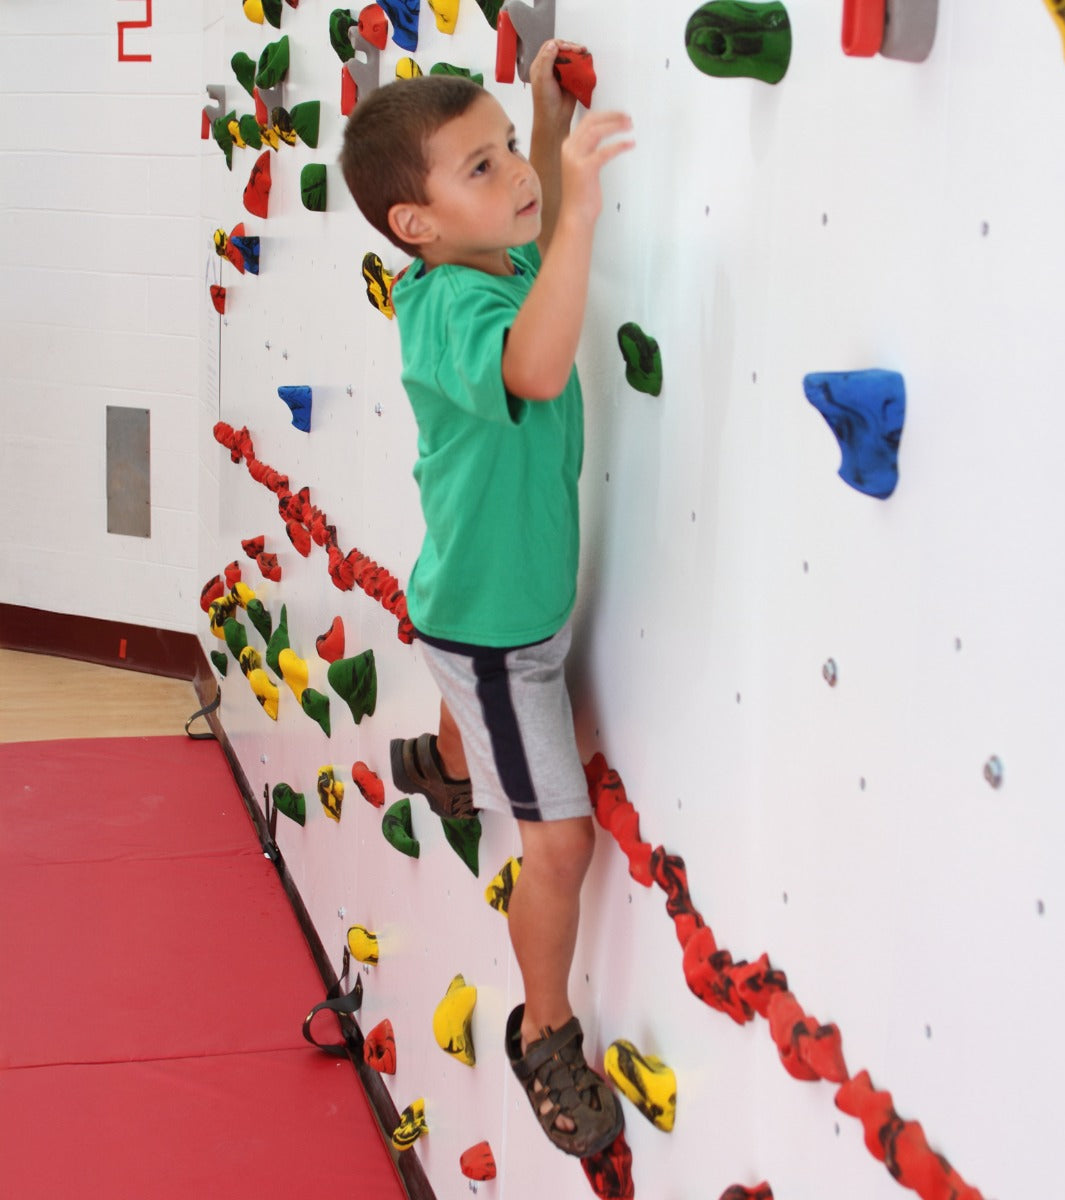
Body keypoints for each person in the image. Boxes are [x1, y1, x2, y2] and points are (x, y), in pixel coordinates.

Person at [339, 41, 634, 1158]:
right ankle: (543, 1028)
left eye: (506, 148)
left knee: (468, 697)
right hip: (498, 636)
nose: (514, 174)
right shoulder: (451, 312)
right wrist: (580, 216)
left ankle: (451, 763)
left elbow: (532, 218)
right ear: (417, 225)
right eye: (481, 166)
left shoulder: (489, 254)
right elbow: (540, 366)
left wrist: (548, 129)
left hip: (480, 598)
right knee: (559, 846)